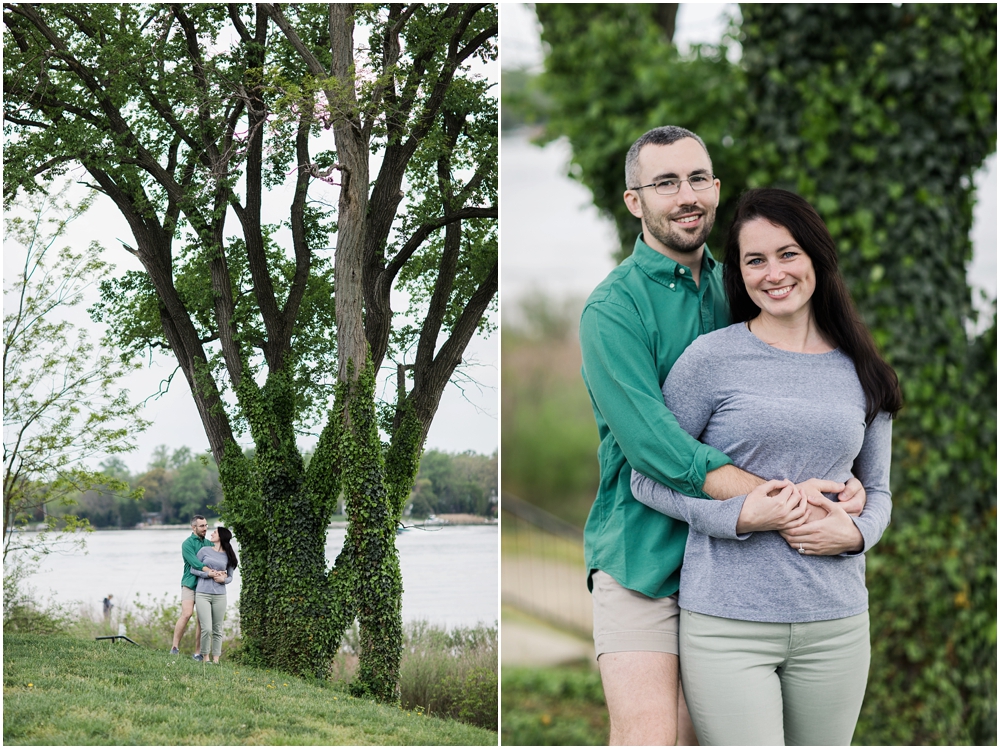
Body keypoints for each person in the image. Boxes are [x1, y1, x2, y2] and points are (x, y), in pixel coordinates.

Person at [579, 126, 866, 745]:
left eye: (697, 179)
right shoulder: (613, 310)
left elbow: (791, 399)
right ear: (635, 201)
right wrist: (793, 505)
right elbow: (657, 449)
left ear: (714, 187)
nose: (686, 196)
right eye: (664, 183)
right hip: (647, 559)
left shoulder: (740, 279)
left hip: (741, 572)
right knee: (654, 739)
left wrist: (853, 489)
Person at [631, 187, 902, 744]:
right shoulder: (710, 359)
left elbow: (878, 492)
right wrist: (736, 516)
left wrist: (854, 536)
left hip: (836, 624)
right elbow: (646, 479)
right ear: (741, 273)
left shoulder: (864, 370)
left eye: (787, 254)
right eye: (755, 260)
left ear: (816, 259)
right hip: (729, 627)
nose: (773, 273)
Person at [191, 526, 238, 664]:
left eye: (215, 532)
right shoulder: (204, 551)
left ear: (221, 537)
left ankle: (216, 660)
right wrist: (208, 574)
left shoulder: (229, 555)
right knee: (206, 628)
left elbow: (230, 577)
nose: (211, 533)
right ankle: (205, 658)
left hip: (220, 595)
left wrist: (224, 579)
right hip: (202, 594)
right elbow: (193, 569)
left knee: (217, 628)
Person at [170, 515, 213, 657]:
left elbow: (217, 559)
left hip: (204, 585)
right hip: (189, 583)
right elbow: (195, 563)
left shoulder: (209, 543)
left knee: (201, 619)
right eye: (202, 526)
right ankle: (174, 647)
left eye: (206, 525)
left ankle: (197, 653)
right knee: (187, 614)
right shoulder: (187, 544)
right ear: (193, 527)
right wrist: (210, 571)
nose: (205, 528)